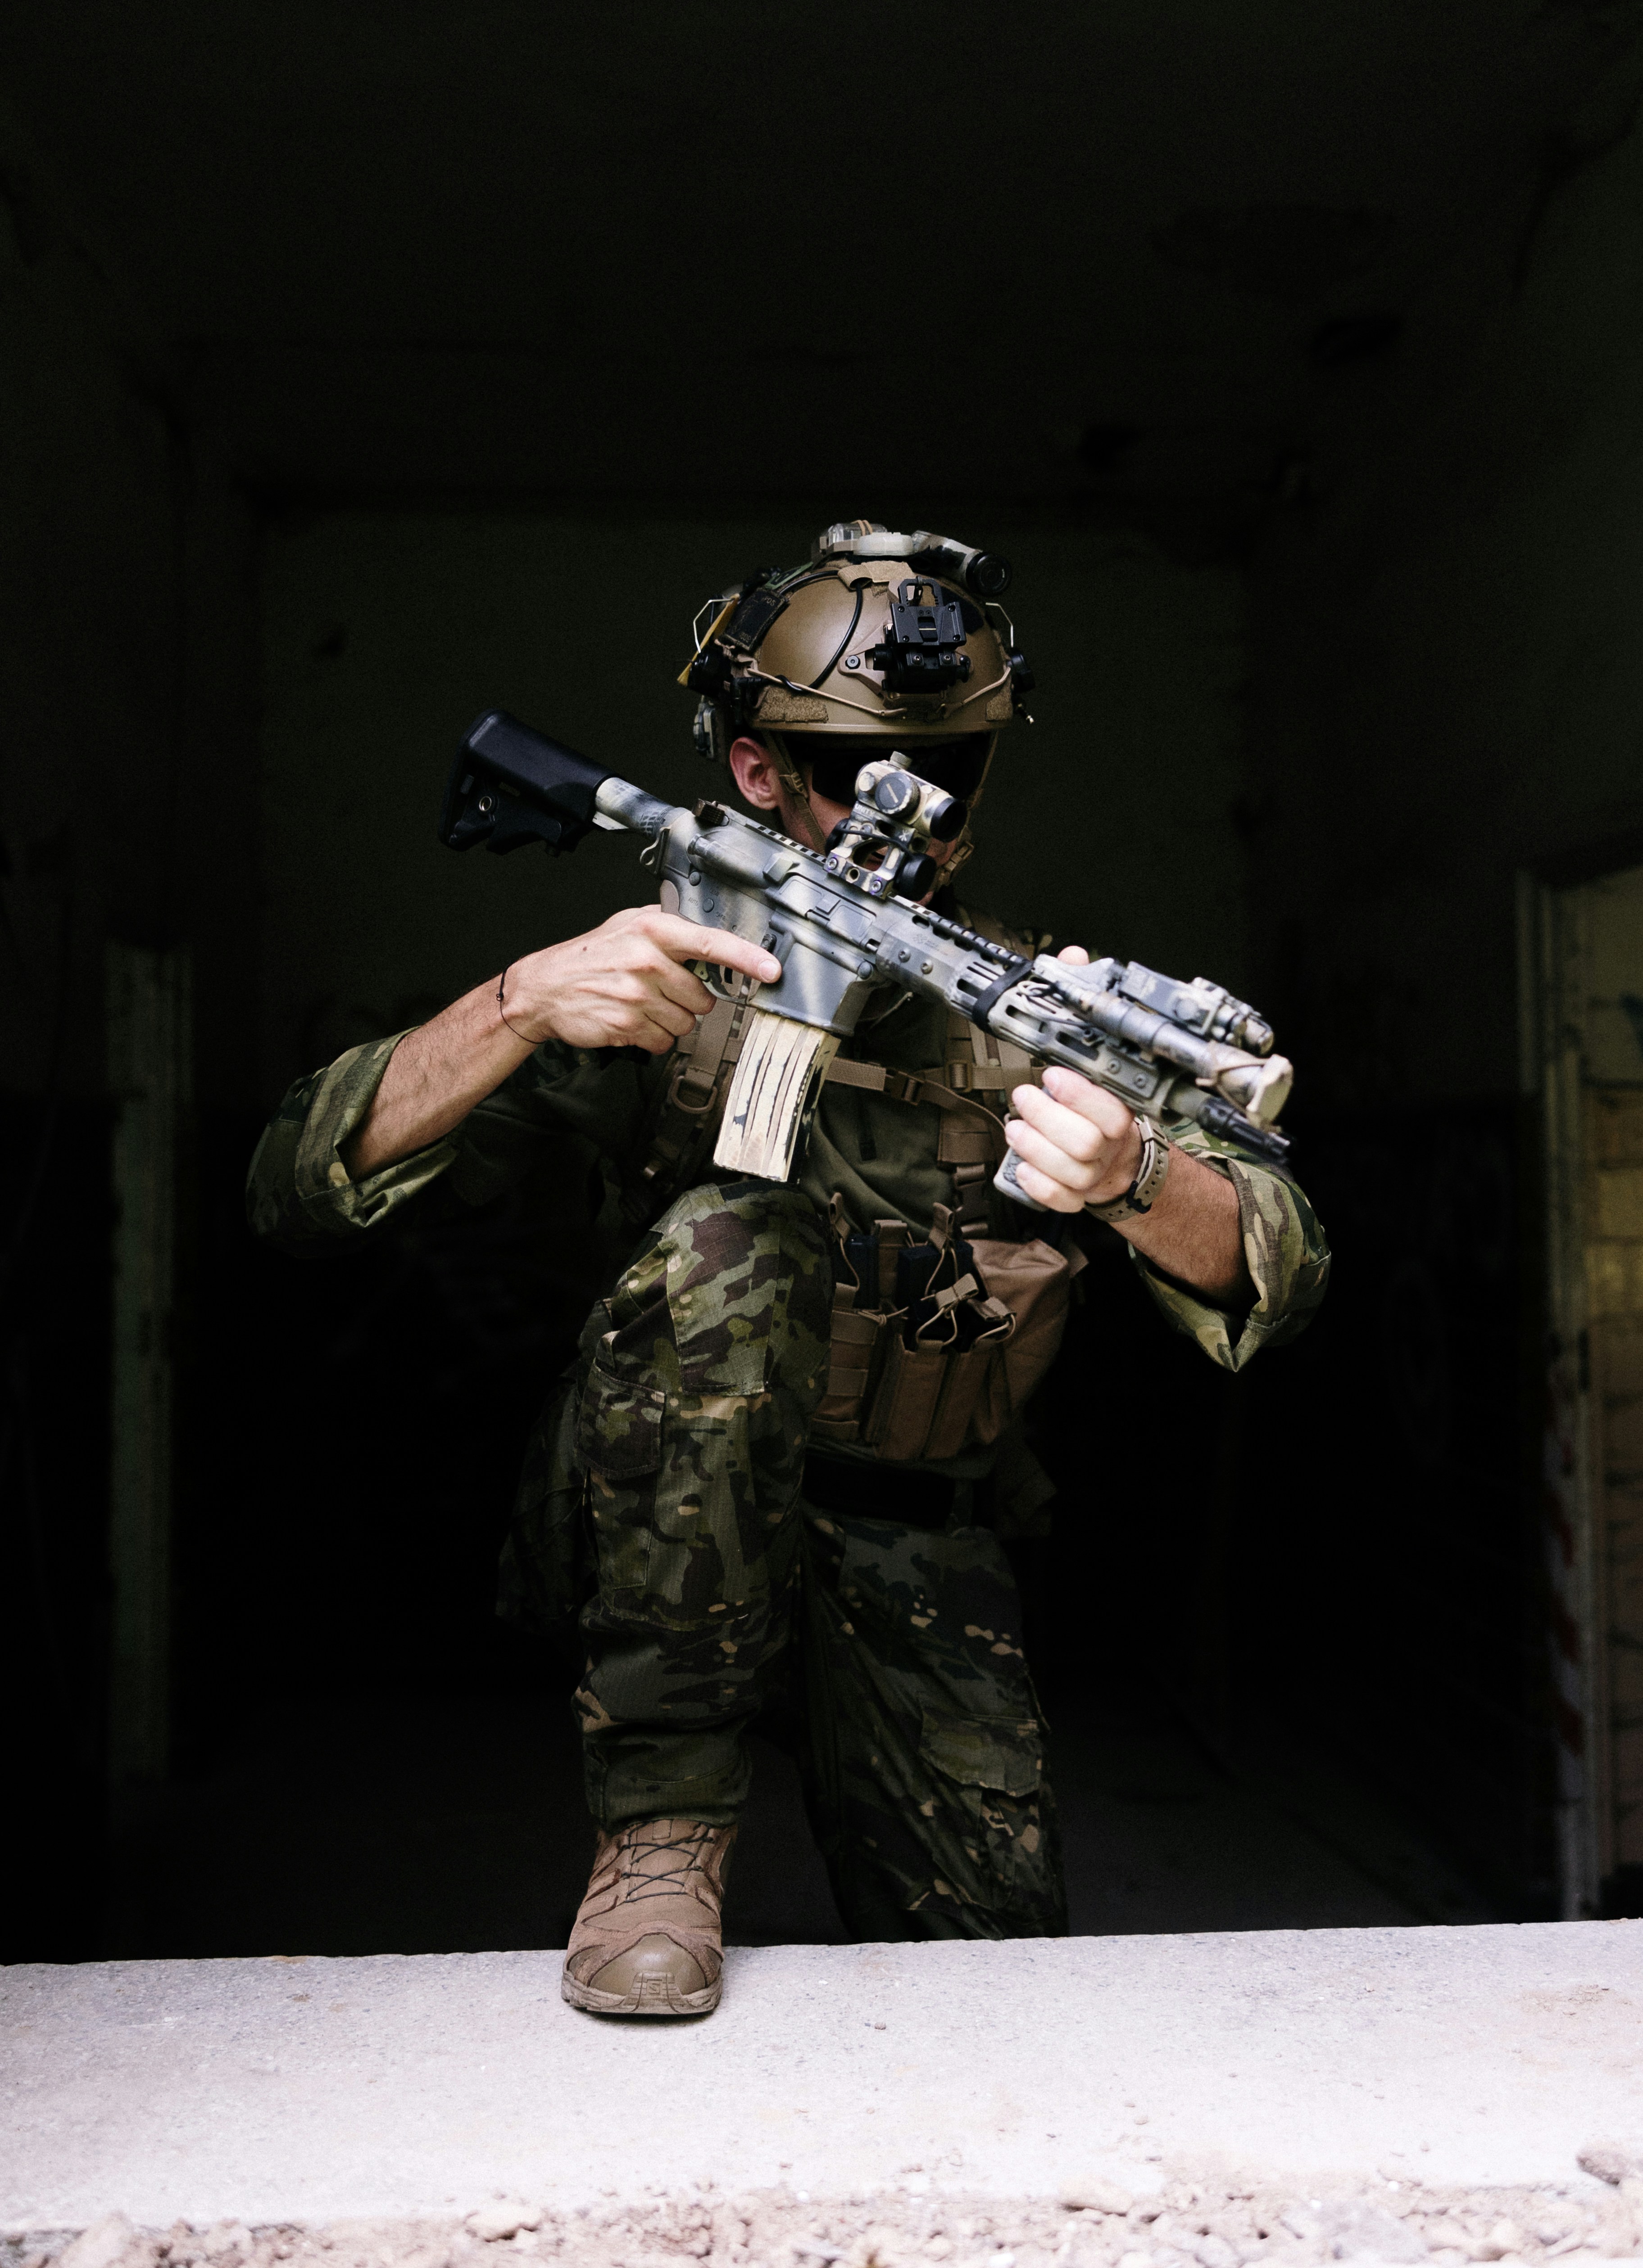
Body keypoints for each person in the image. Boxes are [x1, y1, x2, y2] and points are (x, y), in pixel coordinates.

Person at [248, 519, 1329, 2017]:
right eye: (855, 777)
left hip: (919, 1535)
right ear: (755, 770)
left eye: (954, 777)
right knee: (727, 1235)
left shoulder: (1034, 1002)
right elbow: (299, 1182)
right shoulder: (658, 974)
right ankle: (662, 1827)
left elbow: (1281, 1265)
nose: (917, 820)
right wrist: (521, 1002)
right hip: (658, 1524)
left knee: (998, 1996)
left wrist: (1140, 1179)